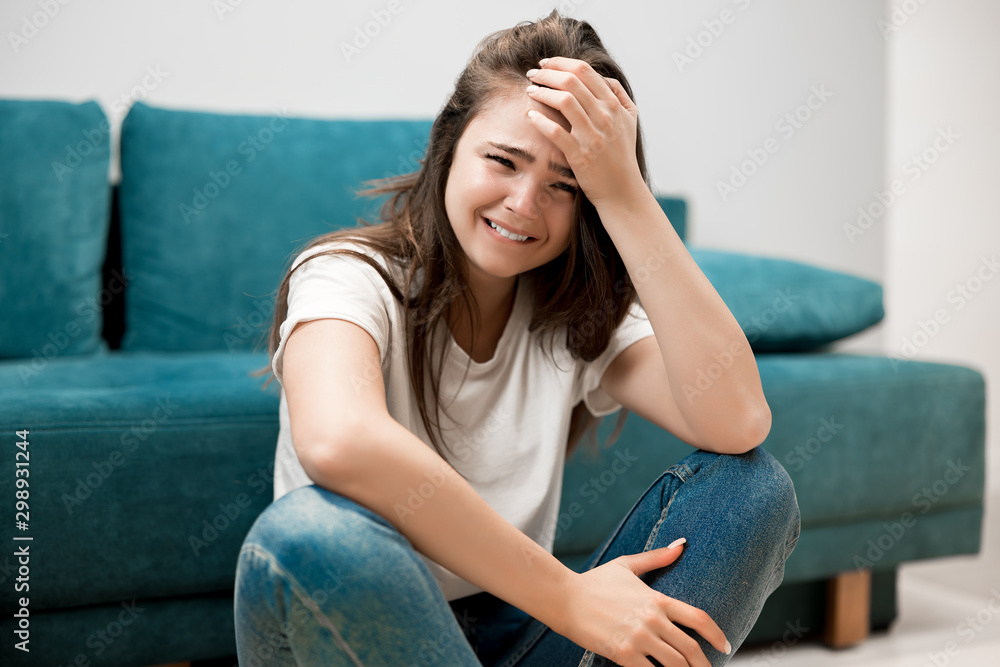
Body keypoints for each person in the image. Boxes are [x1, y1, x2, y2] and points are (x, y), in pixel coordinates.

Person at [234, 9, 800, 667]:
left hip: (516, 630)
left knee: (754, 488)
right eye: (503, 160)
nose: (525, 204)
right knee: (306, 533)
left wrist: (624, 193)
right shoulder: (346, 274)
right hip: (358, 624)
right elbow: (339, 440)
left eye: (566, 185)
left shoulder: (572, 313)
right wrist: (569, 598)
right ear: (450, 144)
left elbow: (737, 421)